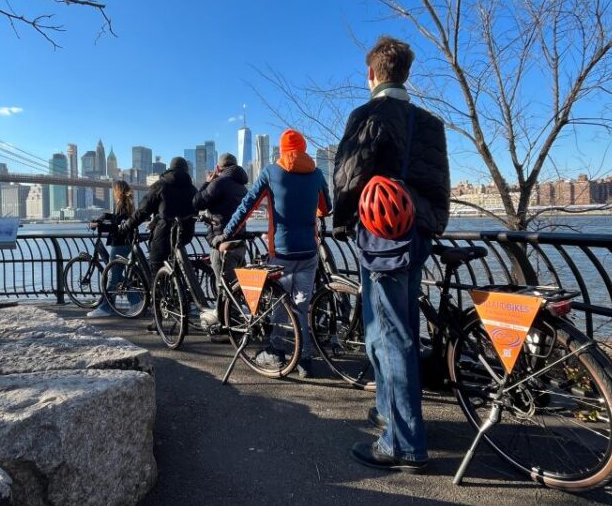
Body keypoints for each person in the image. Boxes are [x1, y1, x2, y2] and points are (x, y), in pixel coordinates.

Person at [332, 36, 450, 473]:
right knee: (397, 327)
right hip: (418, 232)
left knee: (389, 334)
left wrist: (342, 221)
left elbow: (348, 176)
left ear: (372, 74)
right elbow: (439, 184)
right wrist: (430, 223)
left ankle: (403, 443)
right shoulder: (431, 123)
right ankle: (389, 410)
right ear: (405, 73)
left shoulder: (367, 115)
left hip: (382, 234)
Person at [214, 129, 332, 379]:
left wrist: (226, 233)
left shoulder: (271, 172)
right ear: (303, 148)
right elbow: (326, 207)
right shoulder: (317, 173)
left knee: (280, 305)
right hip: (309, 252)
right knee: (301, 307)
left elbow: (247, 206)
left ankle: (277, 351)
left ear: (282, 149)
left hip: (281, 252)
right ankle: (305, 361)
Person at [192, 152, 249, 322]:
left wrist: (207, 182)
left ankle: (227, 325)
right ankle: (236, 319)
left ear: (219, 168)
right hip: (240, 242)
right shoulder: (242, 186)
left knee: (223, 287)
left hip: (222, 240)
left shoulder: (219, 182)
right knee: (235, 286)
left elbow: (197, 202)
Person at [121, 157, 197, 278]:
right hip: (185, 234)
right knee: (177, 268)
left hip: (164, 235)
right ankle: (180, 287)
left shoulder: (160, 185)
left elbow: (143, 211)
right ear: (186, 170)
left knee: (156, 270)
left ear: (170, 169)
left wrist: (127, 226)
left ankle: (157, 289)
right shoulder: (193, 189)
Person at [87, 180, 136, 318]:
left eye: (114, 190)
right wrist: (104, 216)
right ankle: (137, 301)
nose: (113, 192)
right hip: (124, 243)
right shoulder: (125, 204)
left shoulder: (122, 205)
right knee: (117, 276)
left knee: (112, 276)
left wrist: (99, 226)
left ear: (118, 191)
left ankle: (105, 308)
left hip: (120, 243)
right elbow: (117, 219)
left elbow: (117, 227)